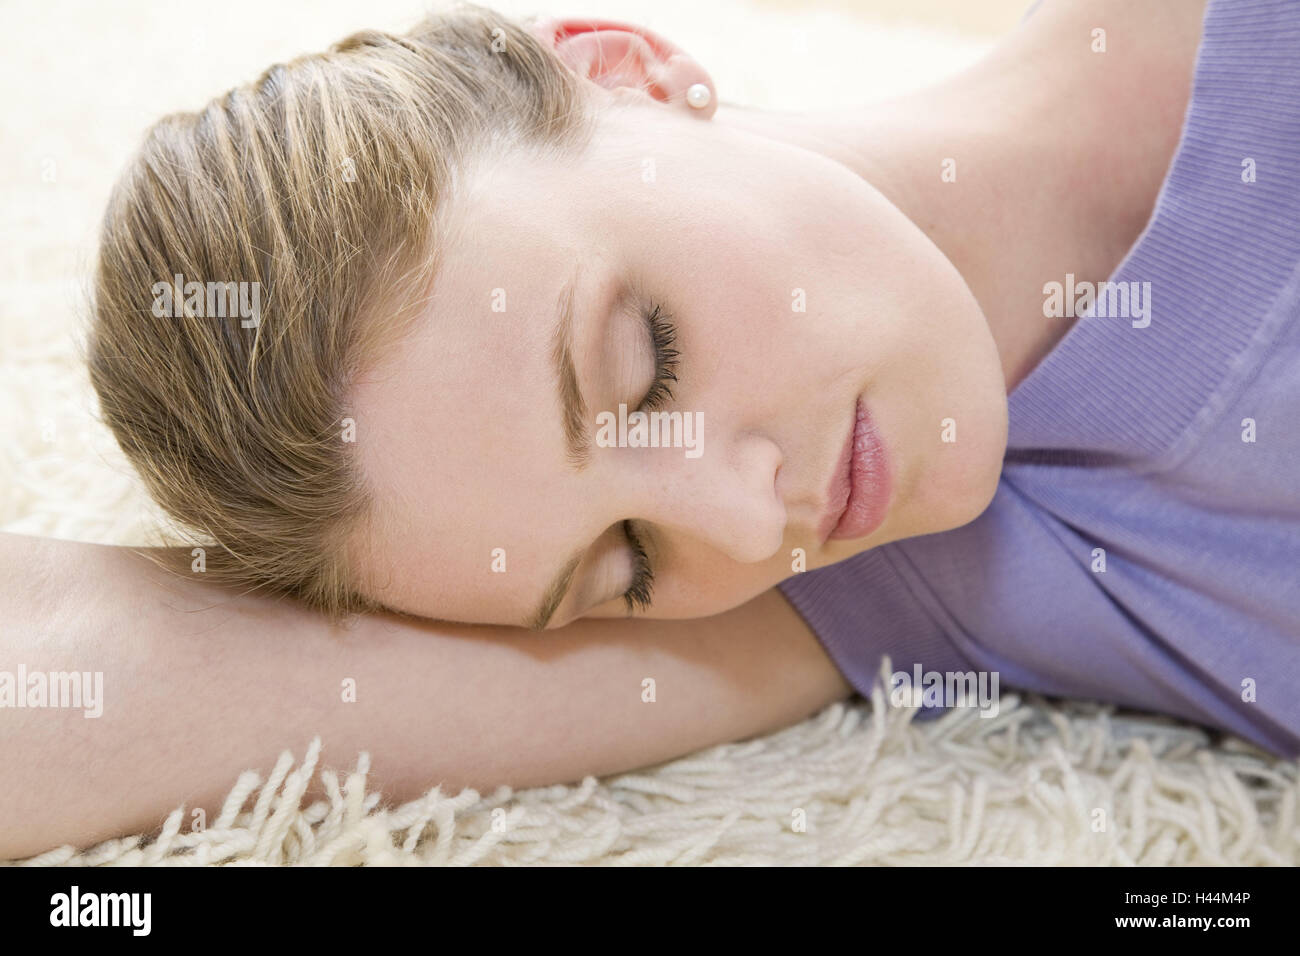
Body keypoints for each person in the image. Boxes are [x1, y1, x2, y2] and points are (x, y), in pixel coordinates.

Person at [5, 0, 1297, 861]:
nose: (747, 520)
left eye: (646, 365)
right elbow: (76, 674)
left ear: (624, 66)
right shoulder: (876, 578)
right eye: (625, 561)